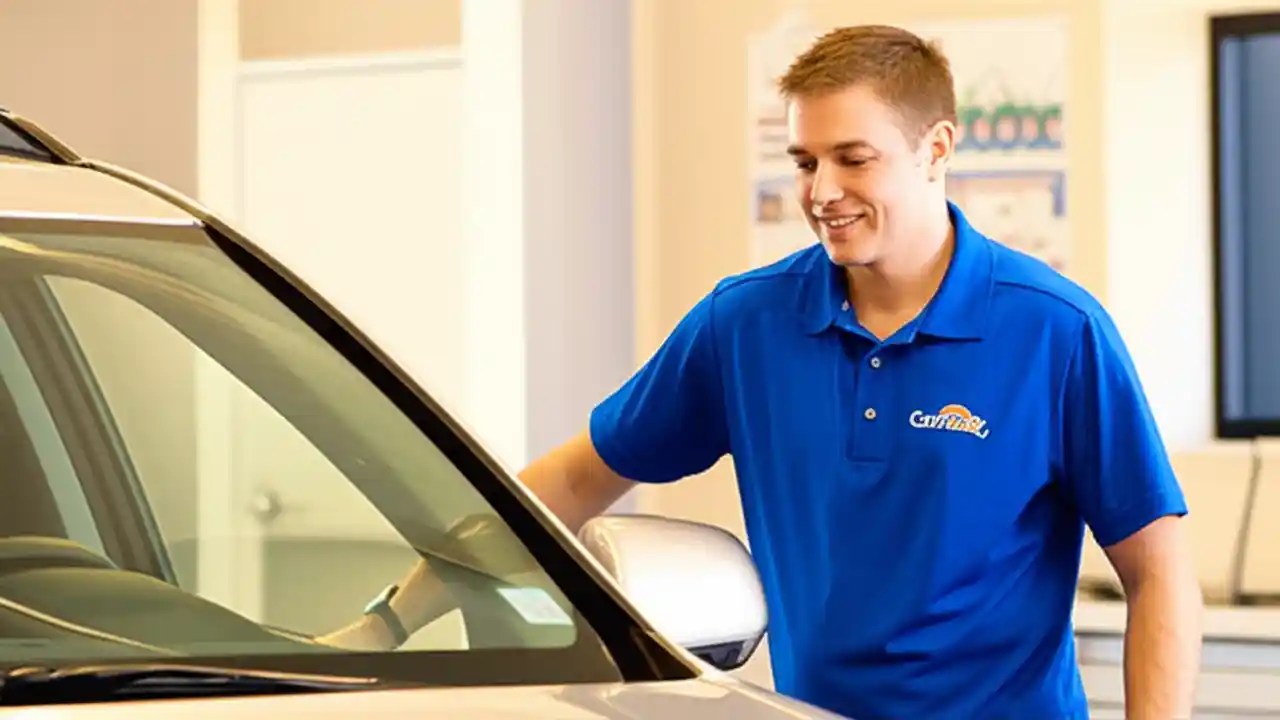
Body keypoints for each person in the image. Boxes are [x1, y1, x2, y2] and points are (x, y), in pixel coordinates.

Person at [323, 24, 1204, 720]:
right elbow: (563, 485)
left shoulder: (1055, 330)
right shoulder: (745, 323)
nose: (821, 190)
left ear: (936, 148)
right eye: (805, 161)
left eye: (854, 159)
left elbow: (1158, 571)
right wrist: (388, 621)